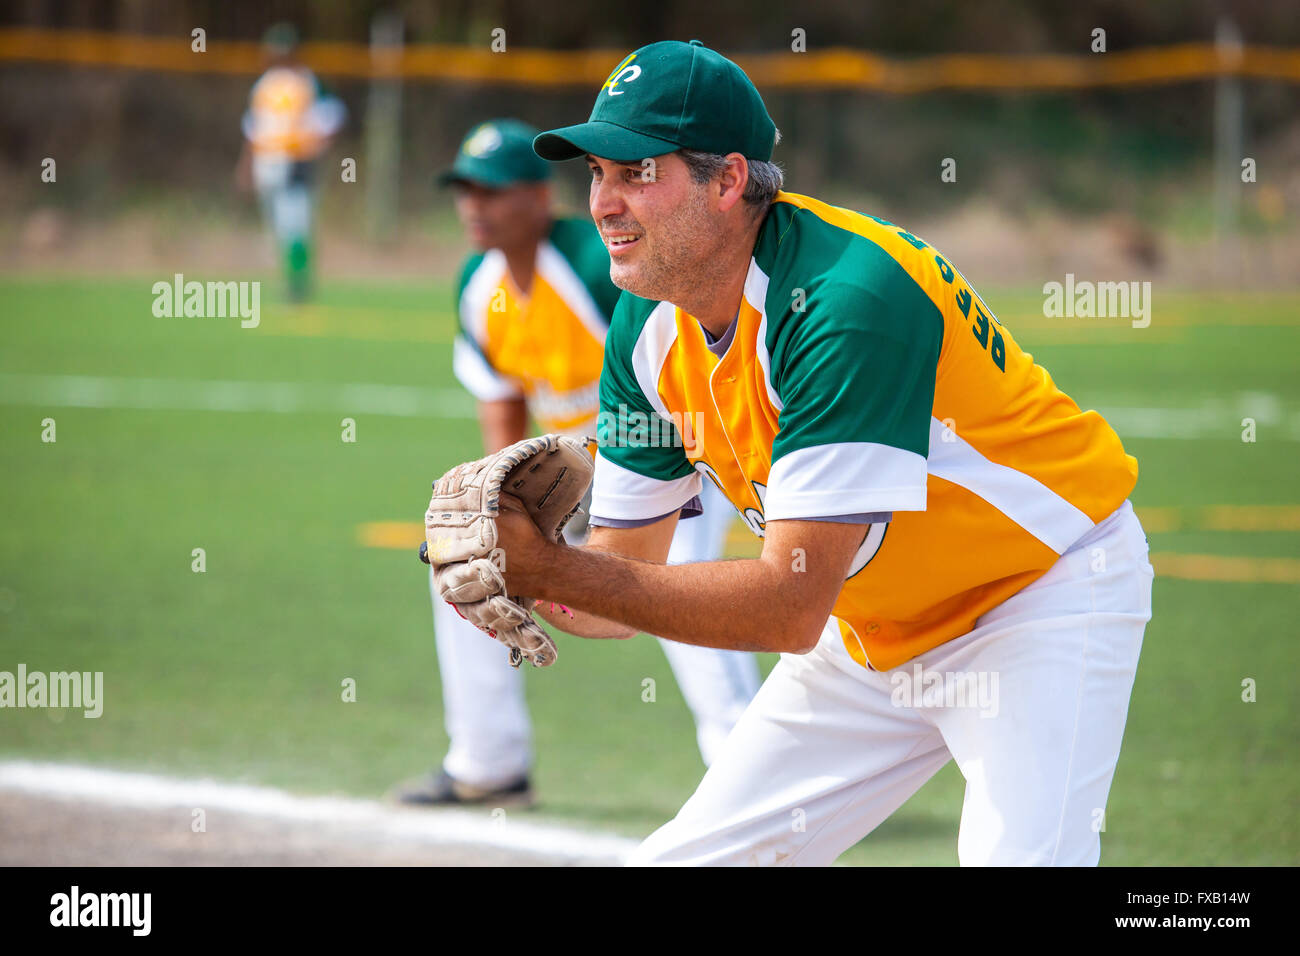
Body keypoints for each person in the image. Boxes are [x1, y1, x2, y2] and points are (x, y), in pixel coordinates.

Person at [486, 41, 1154, 865]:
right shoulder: (644, 325)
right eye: (596, 173)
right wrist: (517, 569)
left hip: (1035, 595)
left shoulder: (849, 299)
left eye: (637, 173)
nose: (602, 204)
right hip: (870, 625)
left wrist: (557, 572)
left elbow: (786, 608)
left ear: (729, 180)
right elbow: (618, 579)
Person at [391, 119, 760, 807]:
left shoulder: (595, 266)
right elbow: (502, 429)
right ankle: (488, 762)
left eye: (492, 190)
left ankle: (756, 781)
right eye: (464, 191)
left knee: (682, 606)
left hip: (671, 463)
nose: (474, 205)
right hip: (579, 485)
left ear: (538, 196)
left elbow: (679, 357)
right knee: (463, 560)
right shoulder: (478, 287)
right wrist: (490, 518)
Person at [236, 23, 345, 302]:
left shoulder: (308, 82)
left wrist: (317, 148)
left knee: (295, 224)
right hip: (267, 163)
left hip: (297, 164)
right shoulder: (264, 85)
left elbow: (333, 118)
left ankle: (299, 287)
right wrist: (245, 166)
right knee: (276, 229)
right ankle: (287, 281)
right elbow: (253, 130)